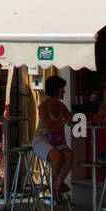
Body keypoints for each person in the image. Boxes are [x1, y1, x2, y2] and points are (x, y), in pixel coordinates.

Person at [32, 75, 74, 203]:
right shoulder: (43, 107)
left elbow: (69, 117)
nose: (64, 92)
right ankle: (56, 188)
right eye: (62, 89)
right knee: (57, 156)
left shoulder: (61, 106)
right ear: (56, 90)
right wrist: (64, 121)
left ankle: (57, 184)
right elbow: (49, 128)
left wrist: (69, 118)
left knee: (69, 155)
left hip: (56, 141)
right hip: (42, 140)